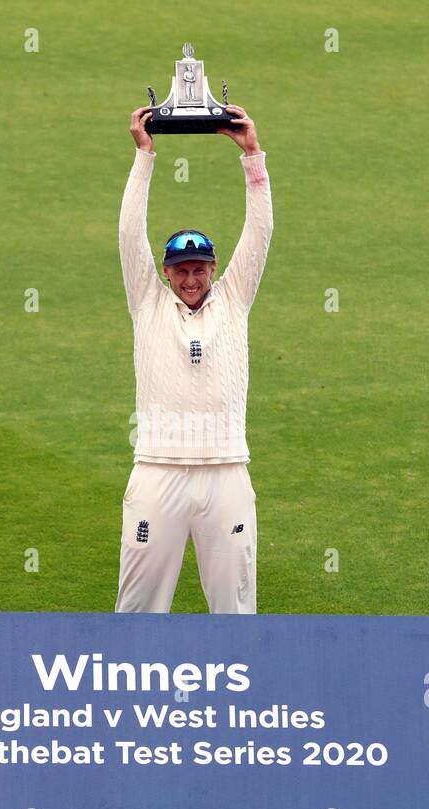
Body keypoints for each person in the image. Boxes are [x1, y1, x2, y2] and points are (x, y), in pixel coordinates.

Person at [114, 103, 273, 613]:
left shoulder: (235, 297)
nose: (190, 279)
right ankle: (131, 687)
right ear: (164, 271)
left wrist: (252, 156)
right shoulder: (147, 301)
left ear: (214, 268)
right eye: (180, 269)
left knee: (235, 606)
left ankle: (243, 692)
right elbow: (127, 236)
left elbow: (260, 235)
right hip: (158, 470)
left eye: (199, 268)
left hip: (226, 471)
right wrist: (145, 156)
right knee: (138, 608)